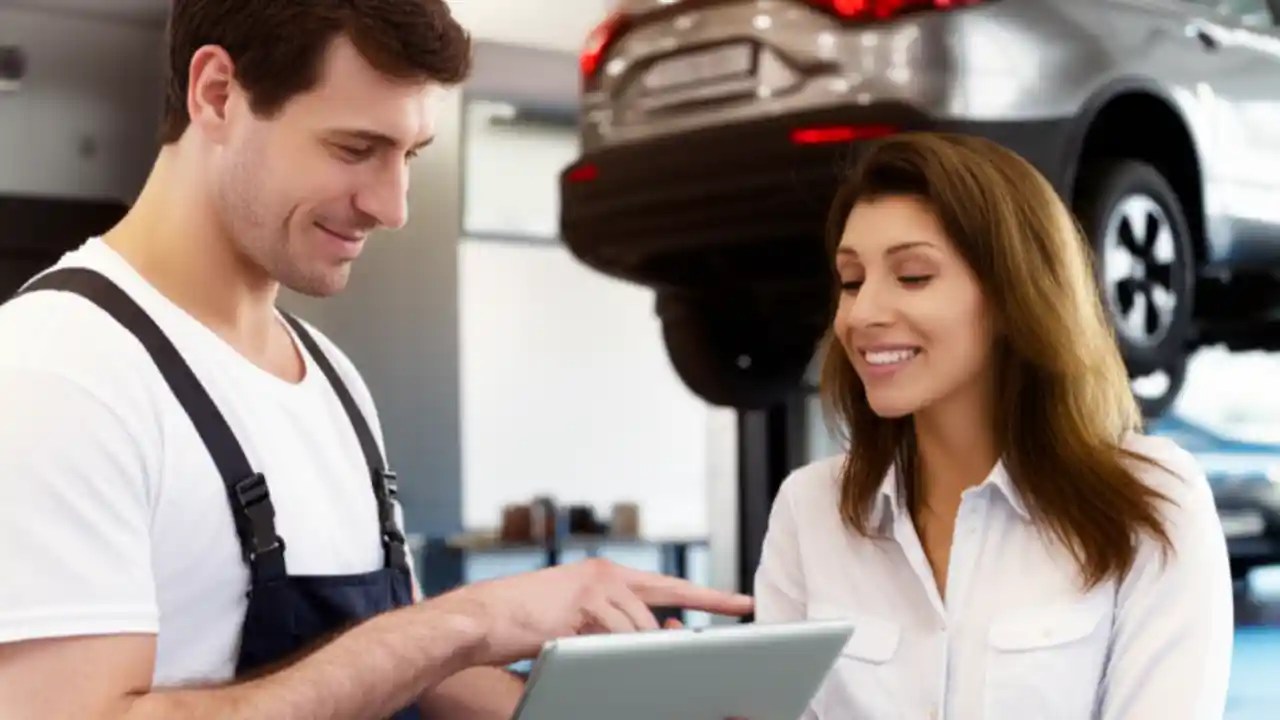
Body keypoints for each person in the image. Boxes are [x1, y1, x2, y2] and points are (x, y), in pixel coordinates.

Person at [0, 1, 752, 718]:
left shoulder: (332, 376)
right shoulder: (60, 370)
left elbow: (403, 677)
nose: (393, 207)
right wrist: (472, 618)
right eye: (356, 149)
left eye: (410, 156)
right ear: (218, 93)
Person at [753, 133, 1233, 719]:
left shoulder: (1153, 500)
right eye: (852, 281)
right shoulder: (810, 510)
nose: (862, 313)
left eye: (912, 276)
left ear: (1014, 295)